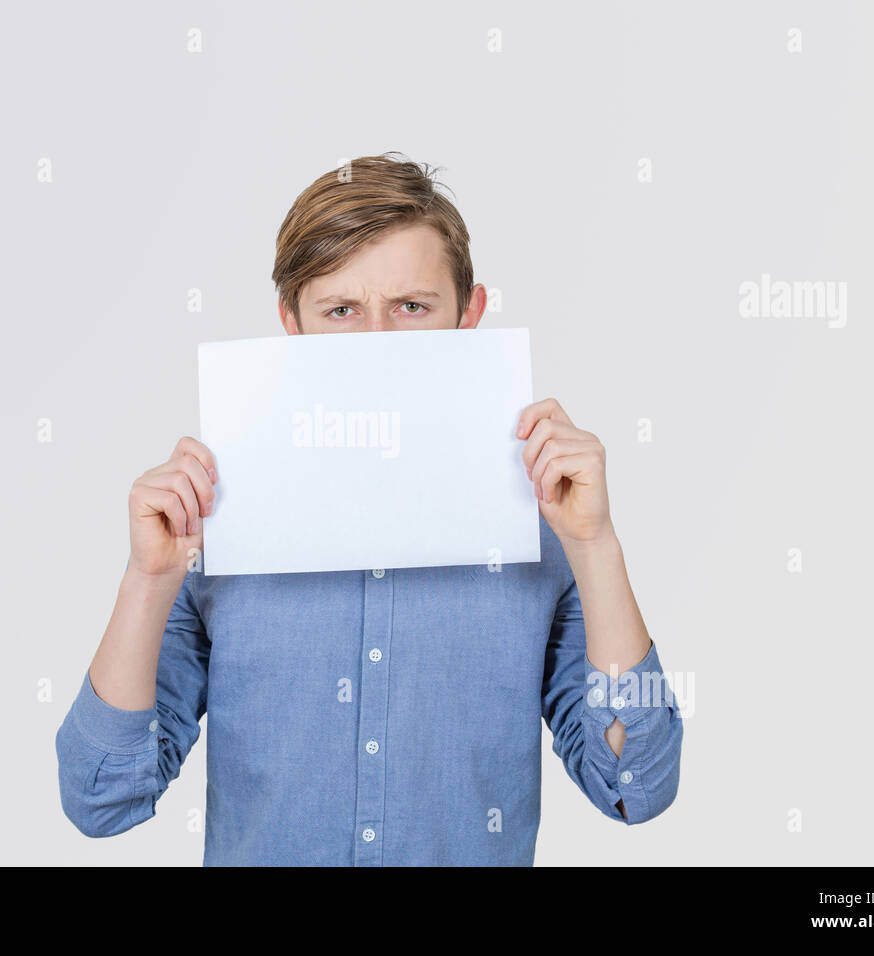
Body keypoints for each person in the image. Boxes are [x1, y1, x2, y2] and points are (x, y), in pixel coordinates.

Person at [55, 153, 683, 865]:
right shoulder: (215, 526)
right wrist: (147, 582)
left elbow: (635, 783)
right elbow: (100, 799)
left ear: (468, 316)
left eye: (412, 306)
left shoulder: (540, 526)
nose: (377, 342)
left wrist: (595, 546)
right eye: (341, 311)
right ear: (293, 324)